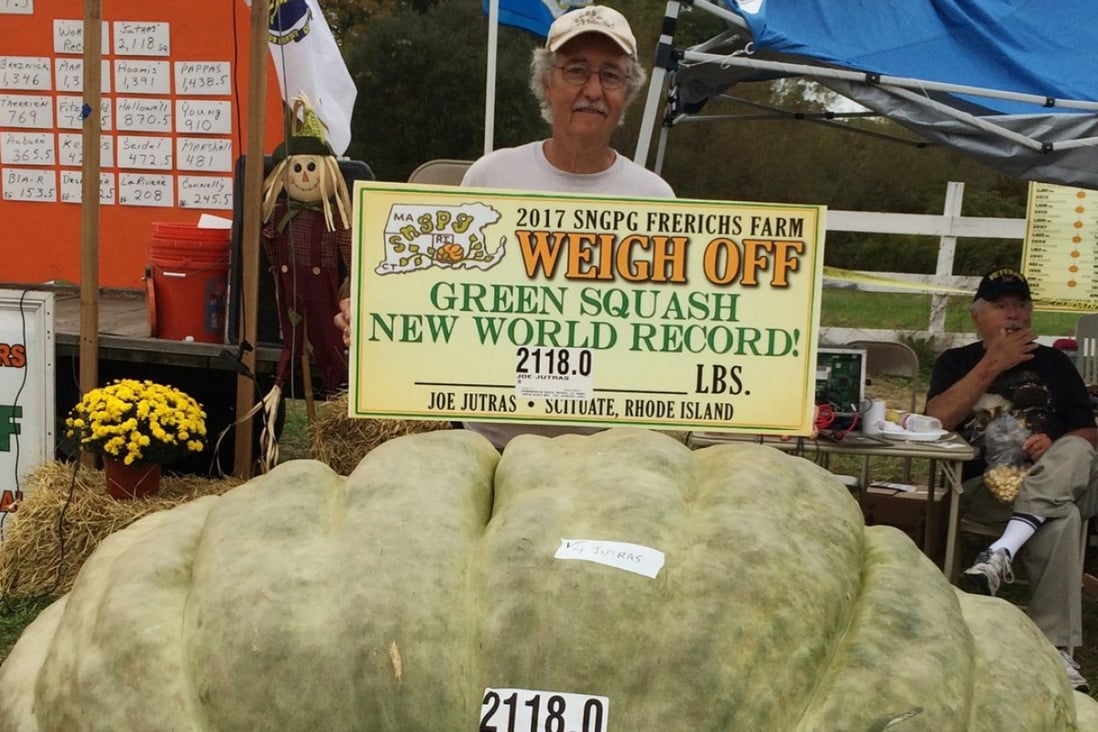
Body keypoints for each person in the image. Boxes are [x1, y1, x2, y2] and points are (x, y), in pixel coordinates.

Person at [335, 5, 674, 448]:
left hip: (609, 451)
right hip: (490, 444)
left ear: (626, 95)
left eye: (610, 75)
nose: (593, 89)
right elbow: (431, 294)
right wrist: (375, 320)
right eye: (577, 71)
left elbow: (673, 332)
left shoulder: (654, 198)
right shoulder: (490, 177)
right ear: (547, 83)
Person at [925, 267, 1097, 692]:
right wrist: (992, 363)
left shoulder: (1055, 363)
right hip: (990, 488)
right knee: (1064, 519)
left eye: (1021, 305)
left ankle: (1002, 550)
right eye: (1002, 306)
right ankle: (1054, 647)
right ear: (977, 316)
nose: (1014, 315)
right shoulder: (957, 362)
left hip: (1052, 475)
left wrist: (1054, 442)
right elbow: (936, 421)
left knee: (1075, 451)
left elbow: (1088, 430)